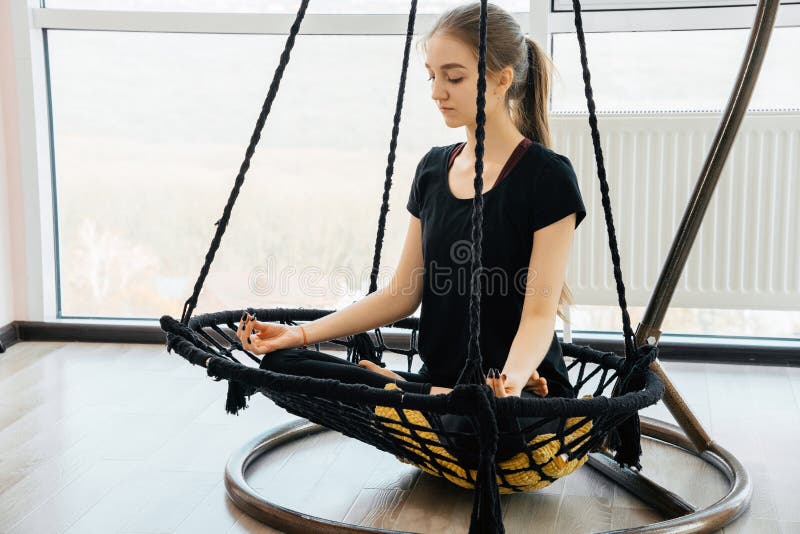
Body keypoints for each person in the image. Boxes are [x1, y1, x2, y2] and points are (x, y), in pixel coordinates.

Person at [234, 2, 587, 458]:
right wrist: (300, 334)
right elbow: (402, 293)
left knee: (485, 419)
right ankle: (420, 396)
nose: (437, 91)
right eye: (432, 76)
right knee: (285, 363)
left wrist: (515, 382)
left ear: (502, 79)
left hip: (517, 393)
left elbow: (540, 316)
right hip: (442, 384)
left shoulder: (548, 177)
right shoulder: (432, 170)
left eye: (454, 77)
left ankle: (408, 396)